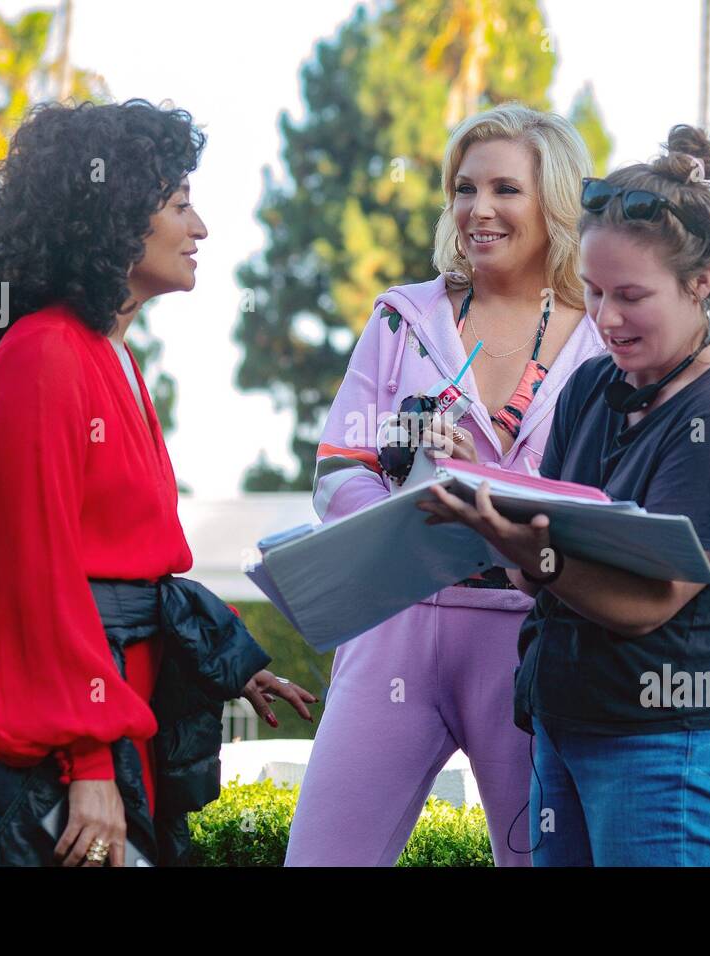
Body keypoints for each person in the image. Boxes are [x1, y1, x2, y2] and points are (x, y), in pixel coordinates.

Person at [0, 99, 315, 867]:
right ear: (115, 217)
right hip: (58, 741)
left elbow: (136, 565)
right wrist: (87, 764)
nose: (201, 228)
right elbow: (36, 578)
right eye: (180, 205)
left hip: (112, 710)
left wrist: (229, 660)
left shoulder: (108, 353)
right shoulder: (42, 357)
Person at [418, 124, 710, 866]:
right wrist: (497, 523)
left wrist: (538, 556)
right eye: (591, 292)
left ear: (701, 282)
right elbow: (549, 524)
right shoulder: (596, 384)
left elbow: (652, 601)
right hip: (571, 722)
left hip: (669, 741)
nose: (606, 320)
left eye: (630, 296)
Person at [284, 103, 605, 866]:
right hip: (395, 623)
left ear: (556, 201)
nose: (478, 210)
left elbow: (603, 502)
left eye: (505, 189)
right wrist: (408, 490)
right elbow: (337, 470)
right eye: (464, 188)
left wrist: (481, 484)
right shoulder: (403, 317)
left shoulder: (601, 335)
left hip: (529, 632)